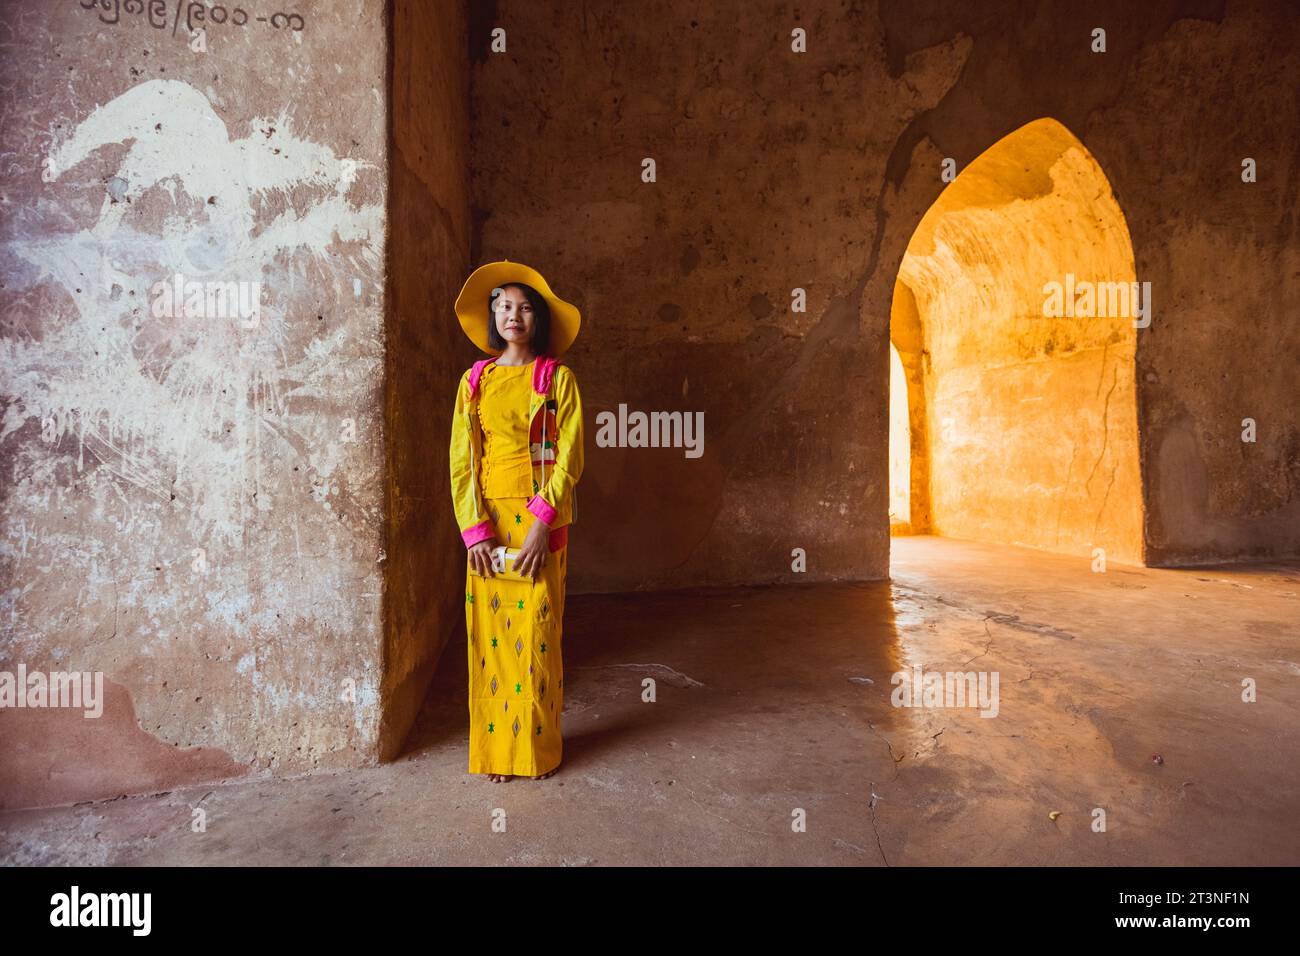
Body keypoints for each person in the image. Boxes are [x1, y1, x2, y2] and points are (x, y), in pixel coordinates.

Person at [449, 260, 585, 783]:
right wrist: (475, 531)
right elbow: (463, 460)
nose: (514, 315)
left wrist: (539, 526)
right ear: (493, 316)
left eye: (525, 307)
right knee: (490, 640)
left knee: (536, 633)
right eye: (504, 305)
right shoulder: (474, 381)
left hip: (538, 522)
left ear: (539, 319)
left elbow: (569, 457)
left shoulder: (558, 380)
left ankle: (535, 752)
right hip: (487, 523)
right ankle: (498, 755)